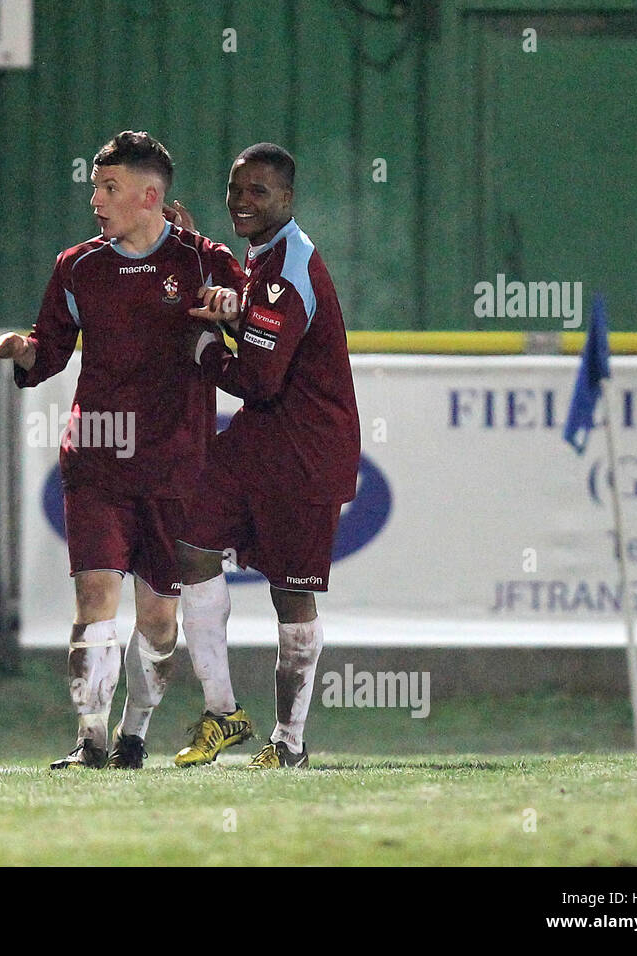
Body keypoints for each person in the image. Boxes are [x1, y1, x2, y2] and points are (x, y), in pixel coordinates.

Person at [0, 131, 244, 769]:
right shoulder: (77, 266)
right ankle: (91, 739)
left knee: (158, 621)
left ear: (150, 195)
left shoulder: (202, 260)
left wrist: (233, 311)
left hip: (176, 466)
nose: (96, 201)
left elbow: (253, 322)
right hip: (97, 458)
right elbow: (49, 349)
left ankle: (135, 734)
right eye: (94, 189)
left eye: (109, 189)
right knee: (95, 596)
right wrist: (26, 352)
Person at [174, 143, 360, 769]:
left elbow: (257, 380)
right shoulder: (264, 257)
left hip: (306, 451)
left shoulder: (289, 271)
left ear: (287, 199)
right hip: (260, 439)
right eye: (235, 188)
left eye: (258, 191)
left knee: (293, 596)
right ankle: (224, 713)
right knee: (193, 544)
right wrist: (202, 257)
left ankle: (290, 743)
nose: (242, 201)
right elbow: (241, 301)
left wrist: (203, 346)